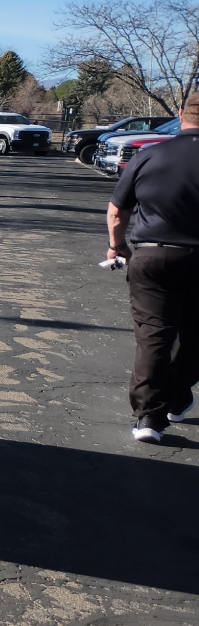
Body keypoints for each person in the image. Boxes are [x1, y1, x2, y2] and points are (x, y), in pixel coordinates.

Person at [108, 96, 199, 442]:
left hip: (154, 255)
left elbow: (118, 211)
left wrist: (118, 247)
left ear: (179, 117)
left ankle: (148, 417)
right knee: (194, 336)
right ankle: (176, 395)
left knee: (154, 335)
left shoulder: (149, 155)